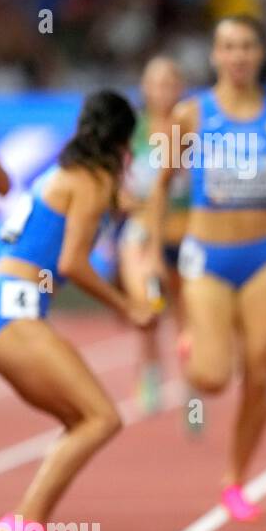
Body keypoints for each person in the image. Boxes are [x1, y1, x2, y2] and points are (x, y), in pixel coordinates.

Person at [149, 15, 266, 521]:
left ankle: (236, 479)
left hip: (264, 256)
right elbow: (160, 187)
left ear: (259, 53)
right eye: (228, 47)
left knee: (260, 375)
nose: (238, 56)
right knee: (215, 377)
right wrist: (155, 255)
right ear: (215, 56)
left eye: (246, 46)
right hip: (206, 257)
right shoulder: (192, 114)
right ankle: (194, 349)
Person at [0, 91, 155, 531]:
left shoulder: (66, 173)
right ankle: (23, 524)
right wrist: (126, 306)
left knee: (79, 418)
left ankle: (26, 526)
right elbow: (73, 262)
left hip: (12, 302)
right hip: (14, 309)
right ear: (123, 140)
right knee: (100, 417)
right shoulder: (91, 180)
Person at [117, 56, 189, 415]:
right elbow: (113, 183)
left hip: (186, 228)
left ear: (180, 88)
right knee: (148, 301)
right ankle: (150, 370)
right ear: (144, 88)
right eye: (155, 84)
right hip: (143, 230)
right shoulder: (133, 131)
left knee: (185, 311)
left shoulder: (191, 127)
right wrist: (126, 199)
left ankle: (190, 382)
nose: (162, 91)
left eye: (169, 83)